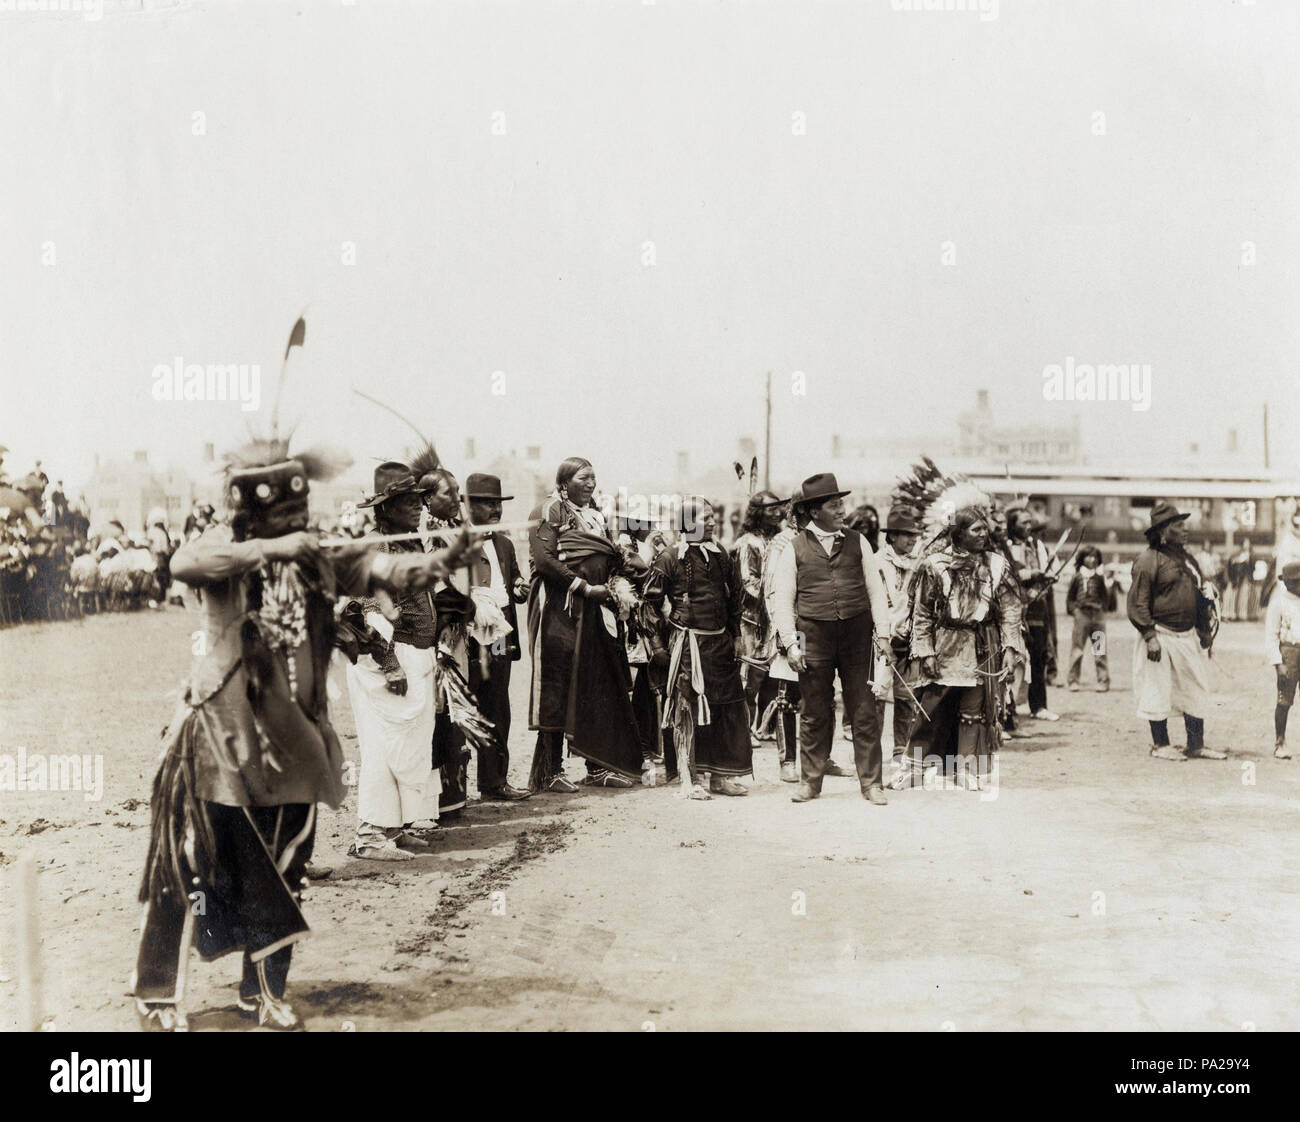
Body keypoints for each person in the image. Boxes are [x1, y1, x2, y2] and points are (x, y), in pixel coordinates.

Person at [131, 440, 478, 1030]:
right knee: (191, 864)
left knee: (286, 866)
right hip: (224, 736)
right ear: (254, 513)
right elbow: (183, 564)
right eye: (282, 515)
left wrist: (447, 557)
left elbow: (389, 570)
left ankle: (262, 992)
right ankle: (157, 994)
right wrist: (269, 548)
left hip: (296, 744)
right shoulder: (228, 547)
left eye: (300, 512)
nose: (297, 523)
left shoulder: (320, 556)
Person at [770, 473, 892, 805]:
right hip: (813, 636)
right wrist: (791, 644)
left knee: (864, 710)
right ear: (813, 512)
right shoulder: (794, 548)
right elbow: (783, 600)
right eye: (834, 505)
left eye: (841, 504)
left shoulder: (858, 541)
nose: (841, 510)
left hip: (857, 635)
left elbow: (876, 590)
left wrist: (883, 635)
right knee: (813, 711)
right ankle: (811, 781)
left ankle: (871, 783)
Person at [343, 462, 443, 861]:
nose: (417, 507)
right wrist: (389, 663)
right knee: (383, 746)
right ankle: (369, 835)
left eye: (419, 500)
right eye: (406, 502)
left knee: (410, 743)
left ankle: (394, 827)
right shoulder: (376, 545)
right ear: (385, 508)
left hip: (414, 652)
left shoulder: (408, 542)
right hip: (384, 656)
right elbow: (364, 609)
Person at [526, 457, 644, 790]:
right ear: (563, 484)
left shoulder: (595, 517)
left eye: (594, 477)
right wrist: (584, 587)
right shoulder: (548, 509)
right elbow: (544, 560)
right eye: (583, 478)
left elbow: (605, 560)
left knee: (595, 682)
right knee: (558, 681)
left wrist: (616, 585)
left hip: (594, 609)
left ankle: (597, 766)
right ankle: (549, 772)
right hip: (559, 608)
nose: (591, 483)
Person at [897, 491, 1024, 791]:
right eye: (976, 529)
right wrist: (925, 651)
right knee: (931, 708)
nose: (983, 534)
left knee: (974, 713)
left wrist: (1010, 647)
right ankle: (912, 768)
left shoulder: (996, 565)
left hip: (980, 645)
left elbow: (1010, 609)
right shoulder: (935, 565)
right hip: (944, 645)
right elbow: (923, 613)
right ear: (958, 533)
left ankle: (965, 770)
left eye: (985, 529)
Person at [642, 497, 752, 799]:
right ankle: (689, 779)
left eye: (712, 516)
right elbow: (649, 604)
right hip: (688, 644)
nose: (712, 521)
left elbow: (735, 597)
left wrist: (736, 635)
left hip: (720, 643)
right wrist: (657, 644)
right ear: (687, 523)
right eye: (705, 517)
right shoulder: (669, 557)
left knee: (723, 707)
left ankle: (719, 777)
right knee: (687, 708)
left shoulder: (721, 556)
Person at [1127, 502, 1224, 762]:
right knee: (1157, 689)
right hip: (1160, 635)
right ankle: (1160, 745)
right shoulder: (1148, 560)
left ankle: (1196, 745)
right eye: (1178, 525)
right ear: (1162, 530)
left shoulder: (1188, 560)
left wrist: (1204, 630)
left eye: (1184, 524)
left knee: (1194, 689)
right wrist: (1150, 637)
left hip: (1187, 635)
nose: (1185, 529)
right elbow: (1138, 602)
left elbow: (1200, 596)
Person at [464, 472, 532, 800]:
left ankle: (494, 782)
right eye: (487, 503)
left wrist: (520, 587)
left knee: (497, 704)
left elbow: (514, 580)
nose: (495, 509)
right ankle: (451, 794)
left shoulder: (504, 543)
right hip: (470, 636)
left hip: (501, 633)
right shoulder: (456, 541)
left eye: (498, 503)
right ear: (468, 505)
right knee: (463, 703)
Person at [731, 490, 786, 742]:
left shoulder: (783, 541)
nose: (776, 512)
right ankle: (743, 730)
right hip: (751, 620)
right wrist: (773, 595)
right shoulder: (747, 543)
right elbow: (747, 581)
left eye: (778, 508)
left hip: (777, 618)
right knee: (748, 678)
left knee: (773, 675)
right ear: (757, 512)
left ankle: (765, 726)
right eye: (770, 508)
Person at [761, 499, 805, 782]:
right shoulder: (782, 543)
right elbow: (772, 591)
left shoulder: (829, 539)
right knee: (787, 695)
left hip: (819, 626)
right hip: (792, 625)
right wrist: (783, 633)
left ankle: (821, 757)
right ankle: (787, 760)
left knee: (821, 696)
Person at [875, 504, 923, 768]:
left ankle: (900, 749)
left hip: (908, 637)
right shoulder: (875, 562)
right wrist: (882, 635)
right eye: (906, 534)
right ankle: (871, 749)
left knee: (907, 696)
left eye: (914, 535)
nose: (912, 539)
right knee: (877, 694)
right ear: (891, 536)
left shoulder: (918, 565)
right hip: (880, 638)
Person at [1007, 505, 1060, 721]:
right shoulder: (1006, 548)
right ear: (1013, 525)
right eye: (1024, 523)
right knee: (1012, 659)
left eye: (1030, 522)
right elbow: (1010, 573)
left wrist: (1047, 577)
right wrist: (1032, 575)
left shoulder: (1036, 546)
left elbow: (1045, 570)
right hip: (1013, 609)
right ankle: (1009, 710)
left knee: (1038, 656)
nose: (1029, 527)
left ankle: (1038, 706)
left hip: (1037, 607)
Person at [1264, 561, 1300, 760]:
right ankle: (1280, 741)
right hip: (1289, 652)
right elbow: (1271, 636)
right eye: (1297, 582)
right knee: (1284, 699)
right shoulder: (1279, 603)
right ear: (1287, 583)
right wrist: (1278, 663)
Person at [1065, 545, 1110, 692]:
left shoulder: (1098, 578)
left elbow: (1105, 596)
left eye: (1095, 557)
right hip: (1082, 616)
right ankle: (1073, 680)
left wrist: (1102, 608)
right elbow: (1070, 598)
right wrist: (1075, 611)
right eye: (1089, 556)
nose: (1092, 559)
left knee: (1099, 649)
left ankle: (1103, 680)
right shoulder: (1077, 577)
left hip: (1097, 616)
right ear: (1082, 559)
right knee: (1077, 649)